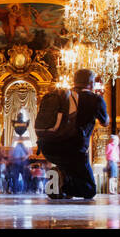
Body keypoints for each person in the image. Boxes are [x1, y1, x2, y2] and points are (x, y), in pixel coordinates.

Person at [38, 68, 110, 200]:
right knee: (89, 190)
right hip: (74, 149)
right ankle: (64, 183)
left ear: (74, 81)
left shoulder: (61, 95)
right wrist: (101, 101)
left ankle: (61, 178)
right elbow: (105, 122)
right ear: (92, 83)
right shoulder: (95, 99)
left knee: (70, 169)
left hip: (47, 146)